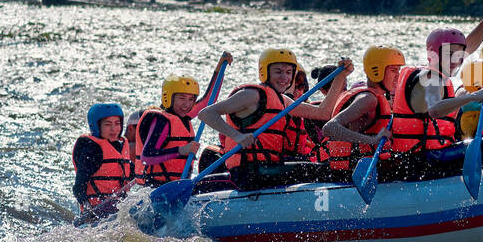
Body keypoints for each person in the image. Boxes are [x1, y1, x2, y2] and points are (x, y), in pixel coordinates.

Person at [198, 49, 352, 189]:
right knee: (319, 171)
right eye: (278, 72)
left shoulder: (283, 100)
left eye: (289, 72)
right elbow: (206, 114)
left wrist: (340, 77)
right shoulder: (251, 95)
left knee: (318, 167)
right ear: (265, 72)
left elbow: (323, 113)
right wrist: (236, 136)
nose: (284, 77)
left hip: (268, 167)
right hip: (249, 172)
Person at [390, 0, 483, 153]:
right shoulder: (431, 78)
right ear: (434, 54)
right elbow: (434, 110)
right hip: (422, 161)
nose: (455, 60)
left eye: (458, 55)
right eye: (449, 54)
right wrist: (475, 96)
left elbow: (471, 44)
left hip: (433, 155)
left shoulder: (438, 71)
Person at [137, 53, 231, 186]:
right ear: (168, 97)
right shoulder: (161, 121)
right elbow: (147, 157)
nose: (187, 104)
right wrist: (181, 150)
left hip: (178, 184)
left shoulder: (183, 116)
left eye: (191, 99)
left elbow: (208, 101)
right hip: (157, 186)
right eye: (182, 98)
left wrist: (220, 68)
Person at [320, 46, 403, 170]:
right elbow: (329, 128)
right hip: (349, 174)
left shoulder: (377, 98)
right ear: (377, 70)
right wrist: (373, 140)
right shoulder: (368, 99)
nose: (398, 75)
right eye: (393, 70)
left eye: (399, 70)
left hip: (361, 168)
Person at [72, 103, 133, 212]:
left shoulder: (119, 146)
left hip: (119, 206)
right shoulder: (91, 150)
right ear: (96, 126)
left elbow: (130, 171)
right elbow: (79, 187)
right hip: (97, 209)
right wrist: (88, 209)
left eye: (117, 123)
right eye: (108, 124)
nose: (114, 129)